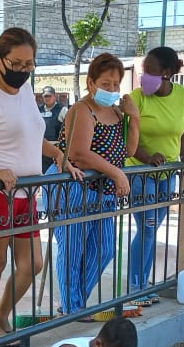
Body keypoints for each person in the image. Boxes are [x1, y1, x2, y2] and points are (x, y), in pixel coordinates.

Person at [0, 28, 81, 347]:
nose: (23, 71)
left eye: (29, 65)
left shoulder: (24, 93)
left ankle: (2, 314)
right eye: (17, 63)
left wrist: (60, 156)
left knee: (32, 264)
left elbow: (31, 135)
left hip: (25, 193)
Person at [51, 53, 140, 315]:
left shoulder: (115, 111)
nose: (112, 89)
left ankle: (74, 304)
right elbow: (78, 153)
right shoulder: (82, 109)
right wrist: (116, 173)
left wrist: (134, 119)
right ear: (91, 82)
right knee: (73, 250)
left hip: (103, 190)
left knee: (103, 250)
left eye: (116, 84)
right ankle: (73, 307)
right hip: (75, 185)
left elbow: (129, 150)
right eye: (106, 83)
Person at [127, 47, 184, 300]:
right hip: (140, 172)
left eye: (150, 72)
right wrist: (147, 158)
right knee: (147, 227)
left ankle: (143, 284)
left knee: (153, 229)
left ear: (167, 73)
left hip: (168, 174)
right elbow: (128, 135)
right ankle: (137, 288)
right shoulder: (137, 97)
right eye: (144, 71)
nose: (144, 77)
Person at [39, 85, 67, 171]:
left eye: (49, 96)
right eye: (45, 96)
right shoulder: (38, 110)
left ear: (55, 96)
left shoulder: (63, 110)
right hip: (41, 149)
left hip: (56, 150)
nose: (47, 98)